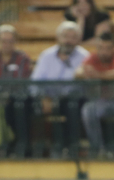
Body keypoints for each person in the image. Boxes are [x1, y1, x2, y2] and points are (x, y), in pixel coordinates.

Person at [30, 21, 91, 157]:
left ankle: (69, 149)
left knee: (72, 105)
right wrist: (44, 97)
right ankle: (30, 150)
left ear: (78, 40)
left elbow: (86, 86)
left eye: (73, 37)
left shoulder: (84, 57)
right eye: (65, 36)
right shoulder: (46, 56)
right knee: (22, 106)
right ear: (58, 38)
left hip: (72, 99)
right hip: (47, 98)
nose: (68, 41)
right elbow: (35, 82)